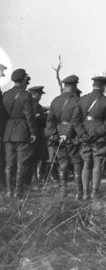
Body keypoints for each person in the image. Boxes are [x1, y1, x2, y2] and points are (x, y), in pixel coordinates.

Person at [73, 76, 106, 200]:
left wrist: (83, 134)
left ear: (93, 85)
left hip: (85, 135)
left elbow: (75, 121)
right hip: (100, 137)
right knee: (97, 163)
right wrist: (97, 133)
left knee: (86, 163)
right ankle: (94, 193)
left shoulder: (82, 100)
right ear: (103, 87)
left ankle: (85, 193)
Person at [2, 69, 37, 198]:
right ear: (23, 80)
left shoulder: (5, 94)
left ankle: (9, 191)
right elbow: (29, 115)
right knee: (22, 163)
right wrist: (33, 132)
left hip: (8, 131)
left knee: (9, 163)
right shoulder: (26, 95)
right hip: (22, 131)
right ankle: (18, 192)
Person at [46, 75, 81, 196]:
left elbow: (50, 120)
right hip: (73, 136)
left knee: (62, 162)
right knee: (77, 162)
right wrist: (66, 134)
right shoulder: (77, 100)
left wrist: (55, 134)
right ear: (75, 86)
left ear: (65, 86)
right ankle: (78, 192)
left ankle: (63, 191)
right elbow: (75, 120)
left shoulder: (55, 100)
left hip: (58, 134)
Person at [28, 85, 49, 184]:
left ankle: (35, 177)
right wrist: (45, 117)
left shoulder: (32, 104)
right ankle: (34, 177)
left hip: (33, 134)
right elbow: (38, 120)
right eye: (40, 94)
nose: (40, 96)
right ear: (35, 94)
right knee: (36, 157)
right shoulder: (34, 105)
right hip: (37, 134)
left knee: (35, 157)